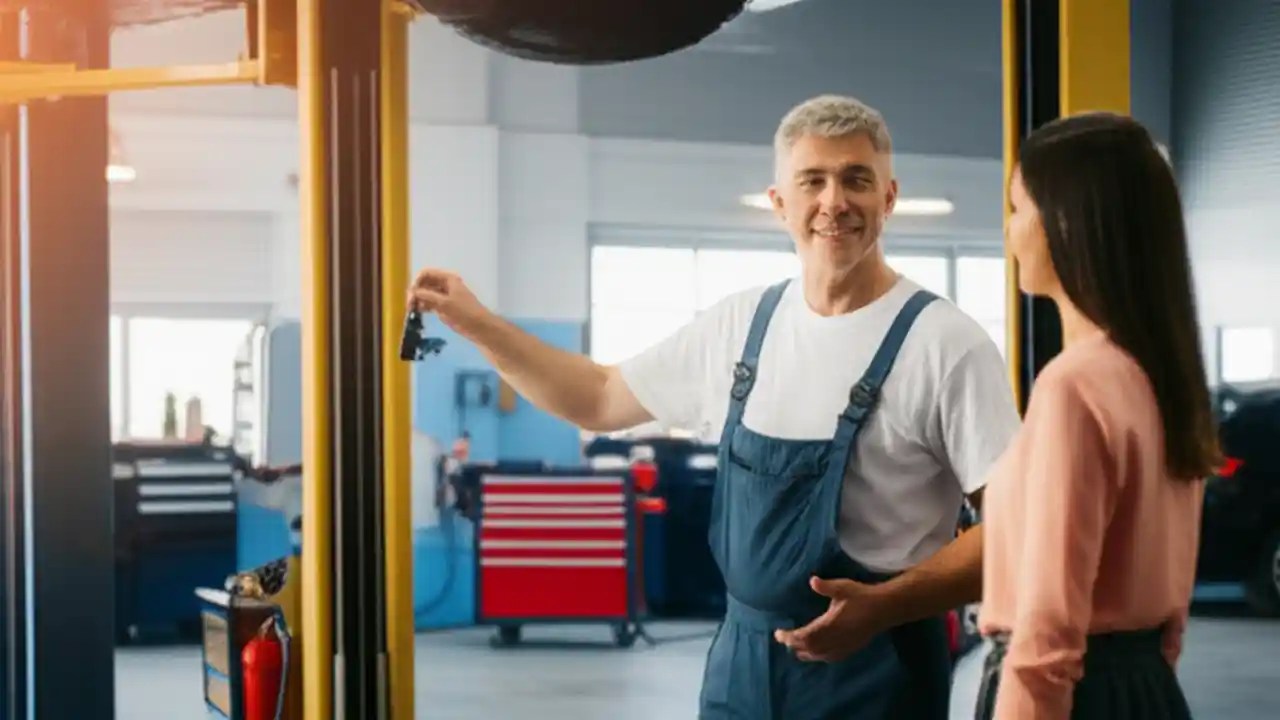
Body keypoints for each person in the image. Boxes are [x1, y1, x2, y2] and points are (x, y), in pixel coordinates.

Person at [408, 94, 1020, 719]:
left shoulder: (946, 344)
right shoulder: (738, 327)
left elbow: (1015, 533)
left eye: (856, 180)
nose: (834, 201)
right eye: (812, 180)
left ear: (888, 197)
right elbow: (596, 396)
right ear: (780, 203)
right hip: (741, 668)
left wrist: (884, 606)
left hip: (877, 670)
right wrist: (479, 325)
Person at [974, 112, 1216, 720]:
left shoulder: (1072, 386)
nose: (1010, 232)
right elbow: (1172, 609)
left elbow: (1048, 630)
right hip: (1147, 687)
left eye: (1018, 208)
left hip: (1070, 694)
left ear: (1067, 223)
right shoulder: (1161, 376)